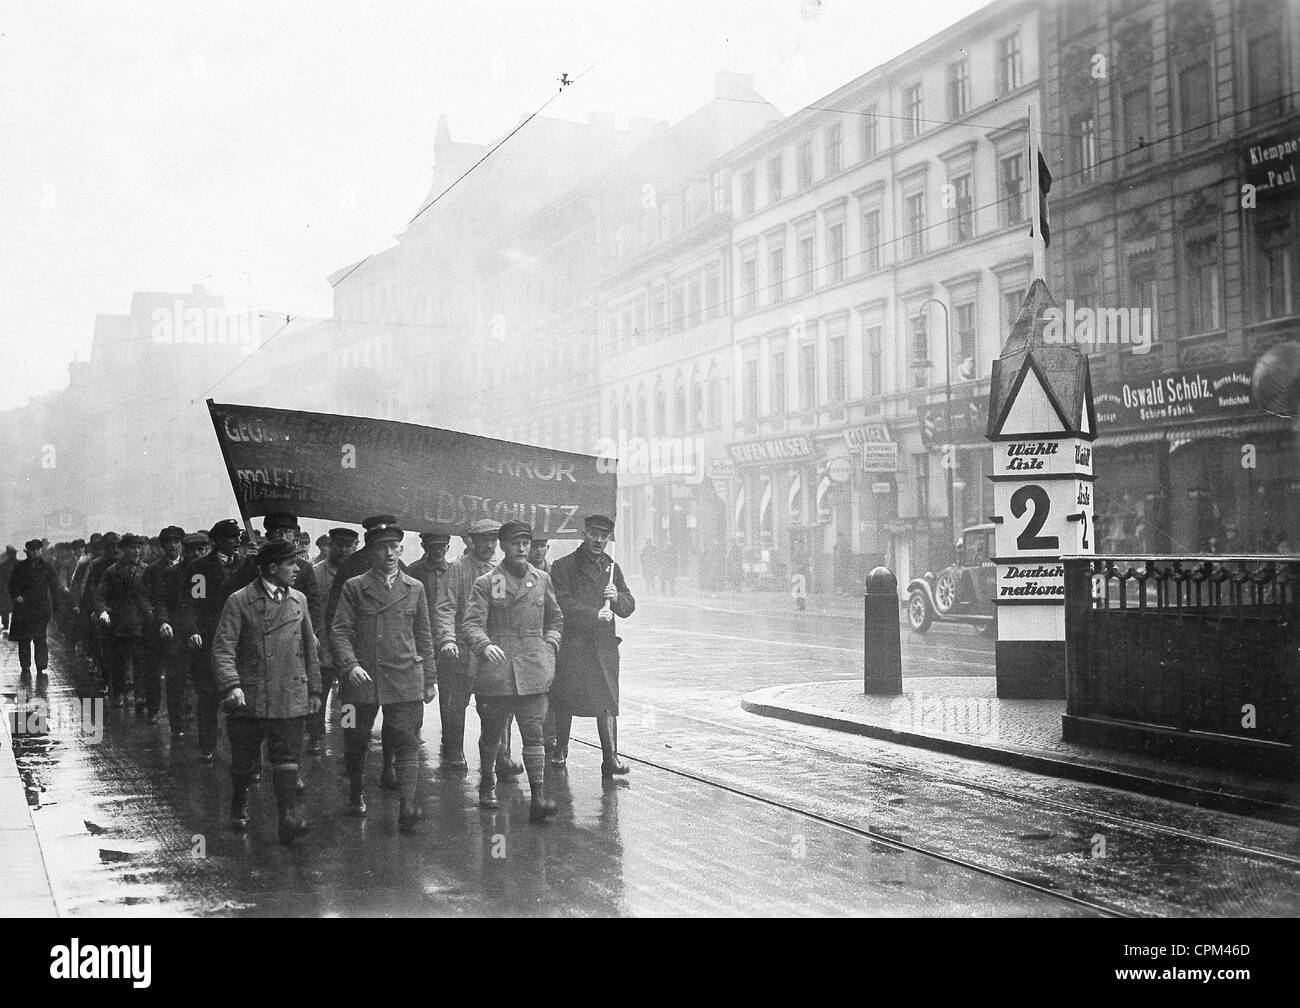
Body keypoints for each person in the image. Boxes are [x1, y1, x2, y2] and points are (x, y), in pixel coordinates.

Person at [212, 539, 321, 845]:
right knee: (243, 762)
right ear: (273, 568)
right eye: (291, 563)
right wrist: (231, 686)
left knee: (287, 757)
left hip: (289, 692)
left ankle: (287, 817)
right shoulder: (239, 601)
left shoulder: (299, 599)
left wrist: (314, 689)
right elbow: (223, 649)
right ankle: (239, 800)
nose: (297, 569)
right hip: (251, 696)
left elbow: (309, 649)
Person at [332, 518, 437, 833]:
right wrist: (350, 665)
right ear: (371, 552)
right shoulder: (355, 587)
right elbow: (339, 631)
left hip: (404, 676)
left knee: (407, 740)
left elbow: (425, 636)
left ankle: (407, 805)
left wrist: (430, 678)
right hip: (361, 679)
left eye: (394, 547)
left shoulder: (414, 588)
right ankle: (356, 792)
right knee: (355, 739)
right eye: (382, 548)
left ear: (401, 549)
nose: (389, 553)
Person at [462, 521, 563, 820]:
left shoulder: (542, 579)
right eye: (515, 543)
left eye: (526, 543)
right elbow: (471, 624)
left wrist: (551, 647)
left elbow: (556, 619)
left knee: (534, 734)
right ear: (503, 546)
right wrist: (483, 645)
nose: (521, 549)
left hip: (533, 669)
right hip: (498, 671)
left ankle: (539, 797)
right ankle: (487, 783)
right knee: (492, 733)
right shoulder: (489, 581)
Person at [547, 514, 636, 778]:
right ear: (584, 534)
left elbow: (629, 605)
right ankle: (560, 751)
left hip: (604, 647)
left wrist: (617, 597)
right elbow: (561, 602)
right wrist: (594, 613)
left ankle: (611, 758)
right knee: (565, 700)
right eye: (594, 534)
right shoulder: (564, 566)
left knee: (607, 701)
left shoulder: (612, 568)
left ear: (609, 538)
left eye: (604, 536)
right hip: (574, 646)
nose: (598, 540)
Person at [323, 515, 409, 785]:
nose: (387, 550)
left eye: (392, 543)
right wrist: (340, 660)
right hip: (356, 659)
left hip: (391, 662)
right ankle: (351, 761)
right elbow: (334, 616)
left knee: (393, 720)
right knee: (352, 721)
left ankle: (389, 764)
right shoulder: (351, 566)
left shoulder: (400, 567)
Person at [434, 519, 515, 773]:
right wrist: (447, 639)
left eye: (493, 540)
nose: (489, 546)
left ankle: (501, 755)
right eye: (484, 541)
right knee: (457, 703)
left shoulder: (498, 573)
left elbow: (501, 610)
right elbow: (445, 608)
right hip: (461, 648)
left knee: (494, 704)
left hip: (489, 651)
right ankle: (455, 751)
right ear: (472, 542)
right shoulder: (457, 570)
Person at [175, 519, 245, 760]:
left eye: (238, 536)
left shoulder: (247, 565)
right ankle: (207, 746)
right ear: (216, 541)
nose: (236, 541)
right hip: (209, 639)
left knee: (242, 696)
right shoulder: (200, 569)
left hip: (240, 640)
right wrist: (193, 630)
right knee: (208, 696)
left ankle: (245, 753)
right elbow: (192, 604)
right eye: (230, 537)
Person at [307, 526, 359, 754]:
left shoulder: (359, 572)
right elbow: (309, 607)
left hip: (350, 644)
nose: (344, 550)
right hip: (323, 643)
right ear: (330, 545)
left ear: (356, 546)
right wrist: (313, 635)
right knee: (319, 690)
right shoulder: (316, 572)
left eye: (349, 546)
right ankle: (315, 736)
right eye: (340, 545)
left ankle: (347, 734)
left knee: (349, 694)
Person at [153, 531, 209, 739]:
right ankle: (178, 725)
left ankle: (196, 721)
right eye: (193, 549)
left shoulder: (202, 574)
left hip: (199, 632)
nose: (197, 553)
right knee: (176, 679)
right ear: (185, 551)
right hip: (178, 633)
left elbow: (199, 606)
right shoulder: (173, 573)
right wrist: (164, 621)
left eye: (201, 549)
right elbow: (161, 600)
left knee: (201, 679)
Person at [93, 533, 154, 710]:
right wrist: (103, 611)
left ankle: (139, 696)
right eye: (132, 548)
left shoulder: (147, 570)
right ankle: (119, 693)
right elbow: (100, 594)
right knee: (118, 660)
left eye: (138, 547)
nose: (136, 551)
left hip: (140, 623)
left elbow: (154, 594)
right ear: (124, 550)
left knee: (140, 661)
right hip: (118, 623)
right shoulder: (112, 571)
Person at [139, 526, 185, 723]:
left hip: (181, 628)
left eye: (176, 542)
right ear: (163, 546)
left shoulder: (190, 568)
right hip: (156, 628)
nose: (172, 546)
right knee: (154, 672)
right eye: (168, 542)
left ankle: (181, 713)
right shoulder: (152, 569)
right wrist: (154, 619)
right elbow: (144, 597)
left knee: (178, 673)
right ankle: (153, 709)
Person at [9, 539, 56, 689]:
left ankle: (41, 666)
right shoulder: (20, 567)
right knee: (24, 639)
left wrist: (55, 606)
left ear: (41, 551)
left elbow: (54, 587)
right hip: (24, 608)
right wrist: (16, 595)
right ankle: (25, 665)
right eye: (32, 550)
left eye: (37, 549)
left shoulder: (47, 568)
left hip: (41, 608)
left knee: (40, 637)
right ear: (26, 551)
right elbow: (12, 584)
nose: (35, 552)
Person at [0, 545, 17, 635]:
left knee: (5, 608)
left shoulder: (3, 565)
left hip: (7, 590)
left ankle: (6, 624)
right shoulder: (19, 564)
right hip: (13, 589)